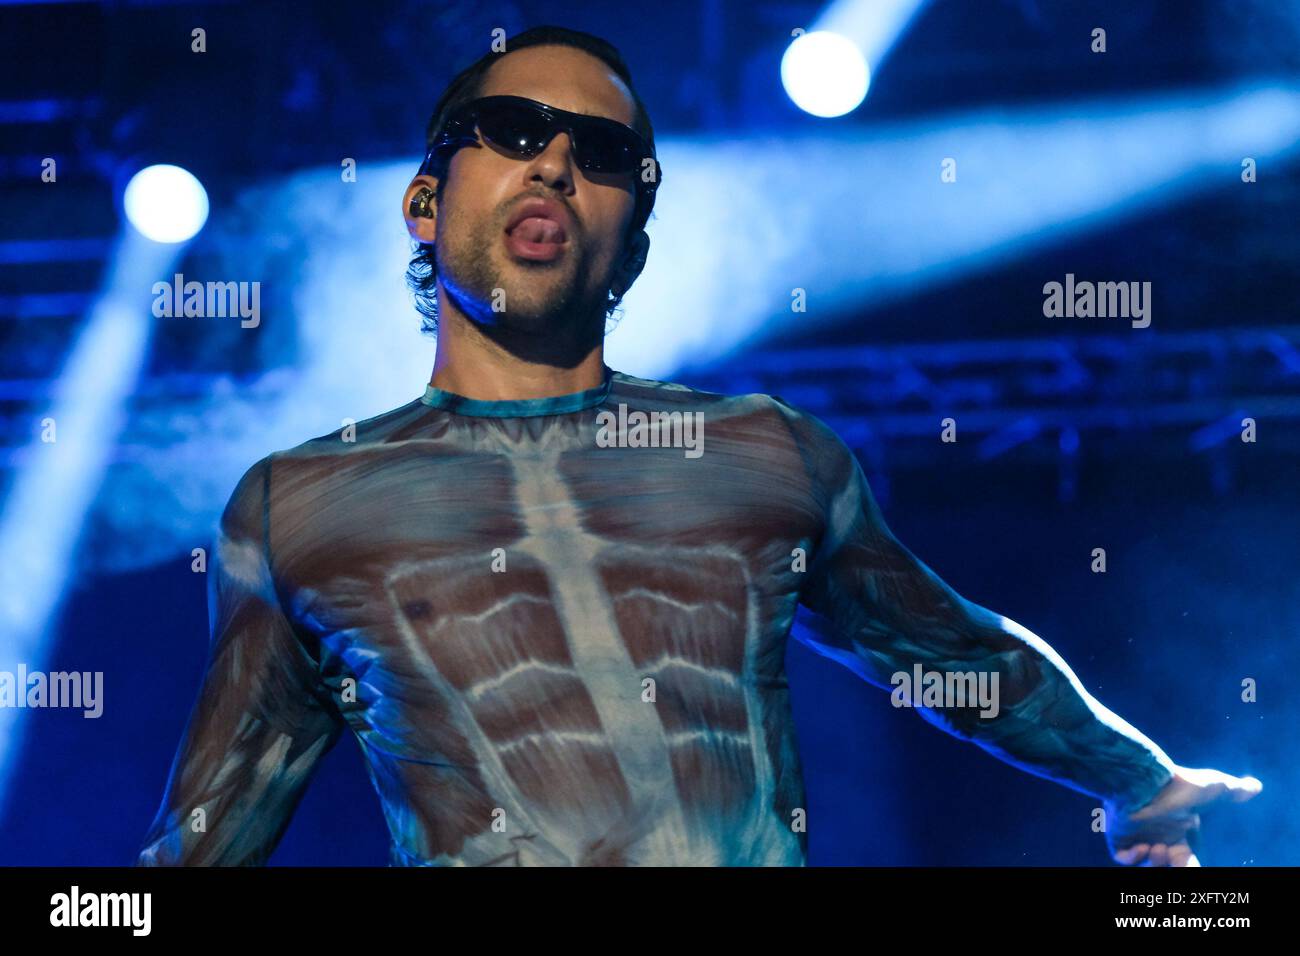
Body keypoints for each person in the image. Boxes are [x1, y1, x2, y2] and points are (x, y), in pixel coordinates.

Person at [136, 25, 1260, 867]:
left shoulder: (764, 454)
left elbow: (950, 651)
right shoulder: (300, 507)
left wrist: (1138, 780)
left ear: (632, 236)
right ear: (425, 200)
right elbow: (204, 833)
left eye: (604, 152)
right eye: (516, 132)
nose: (556, 166)